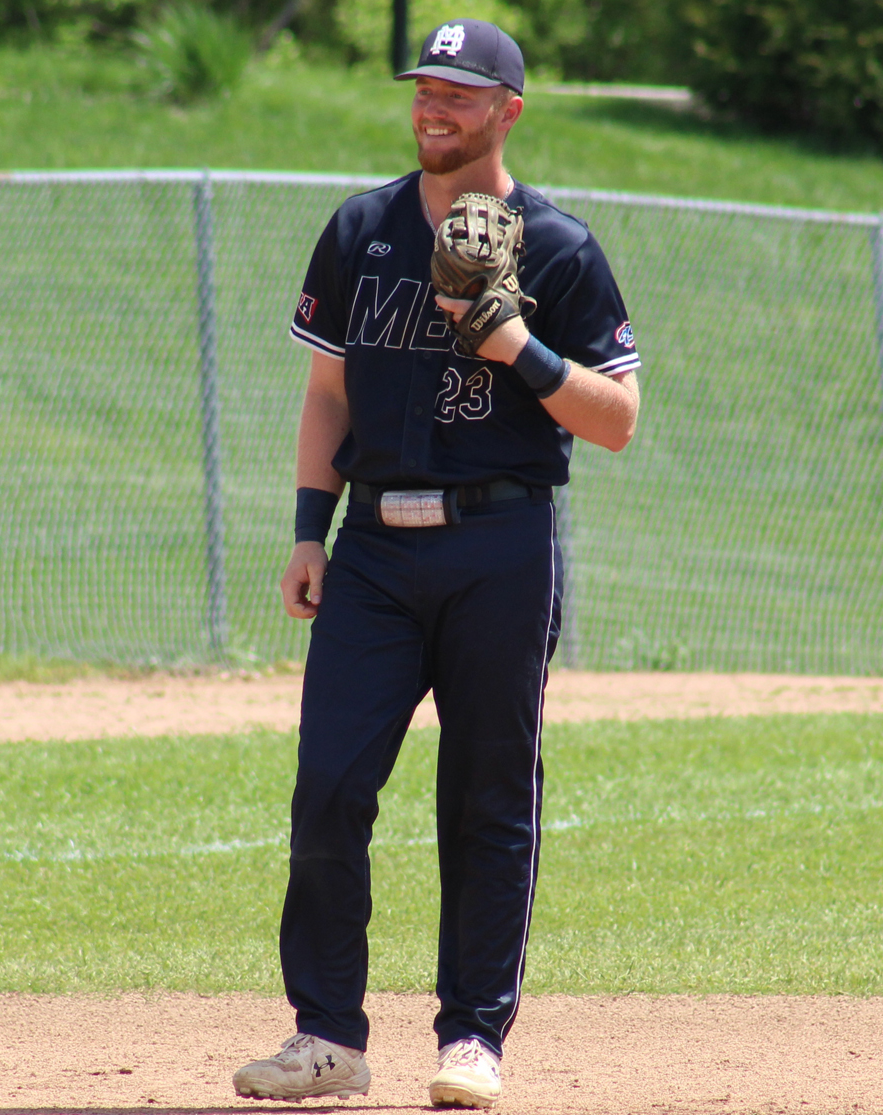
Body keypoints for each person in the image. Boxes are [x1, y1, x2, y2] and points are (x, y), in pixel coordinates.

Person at [232, 17, 643, 1110]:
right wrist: (307, 530)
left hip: (499, 544)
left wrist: (517, 343)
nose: (434, 108)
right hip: (371, 546)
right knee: (326, 785)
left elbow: (616, 420)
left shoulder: (554, 245)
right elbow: (327, 394)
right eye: (425, 89)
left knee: (484, 796)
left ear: (506, 112)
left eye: (459, 95)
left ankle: (472, 1038)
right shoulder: (360, 227)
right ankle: (326, 1034)